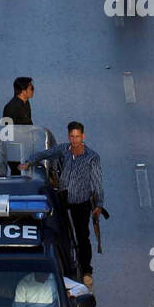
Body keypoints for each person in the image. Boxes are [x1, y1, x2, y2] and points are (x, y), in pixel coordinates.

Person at [21, 121, 105, 288]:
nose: (74, 140)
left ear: (83, 137)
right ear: (69, 137)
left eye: (77, 137)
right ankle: (65, 266)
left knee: (82, 237)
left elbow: (97, 183)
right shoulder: (63, 150)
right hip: (63, 200)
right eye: (72, 137)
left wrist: (99, 204)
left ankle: (87, 271)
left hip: (81, 203)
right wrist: (29, 161)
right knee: (60, 233)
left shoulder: (92, 157)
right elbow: (44, 154)